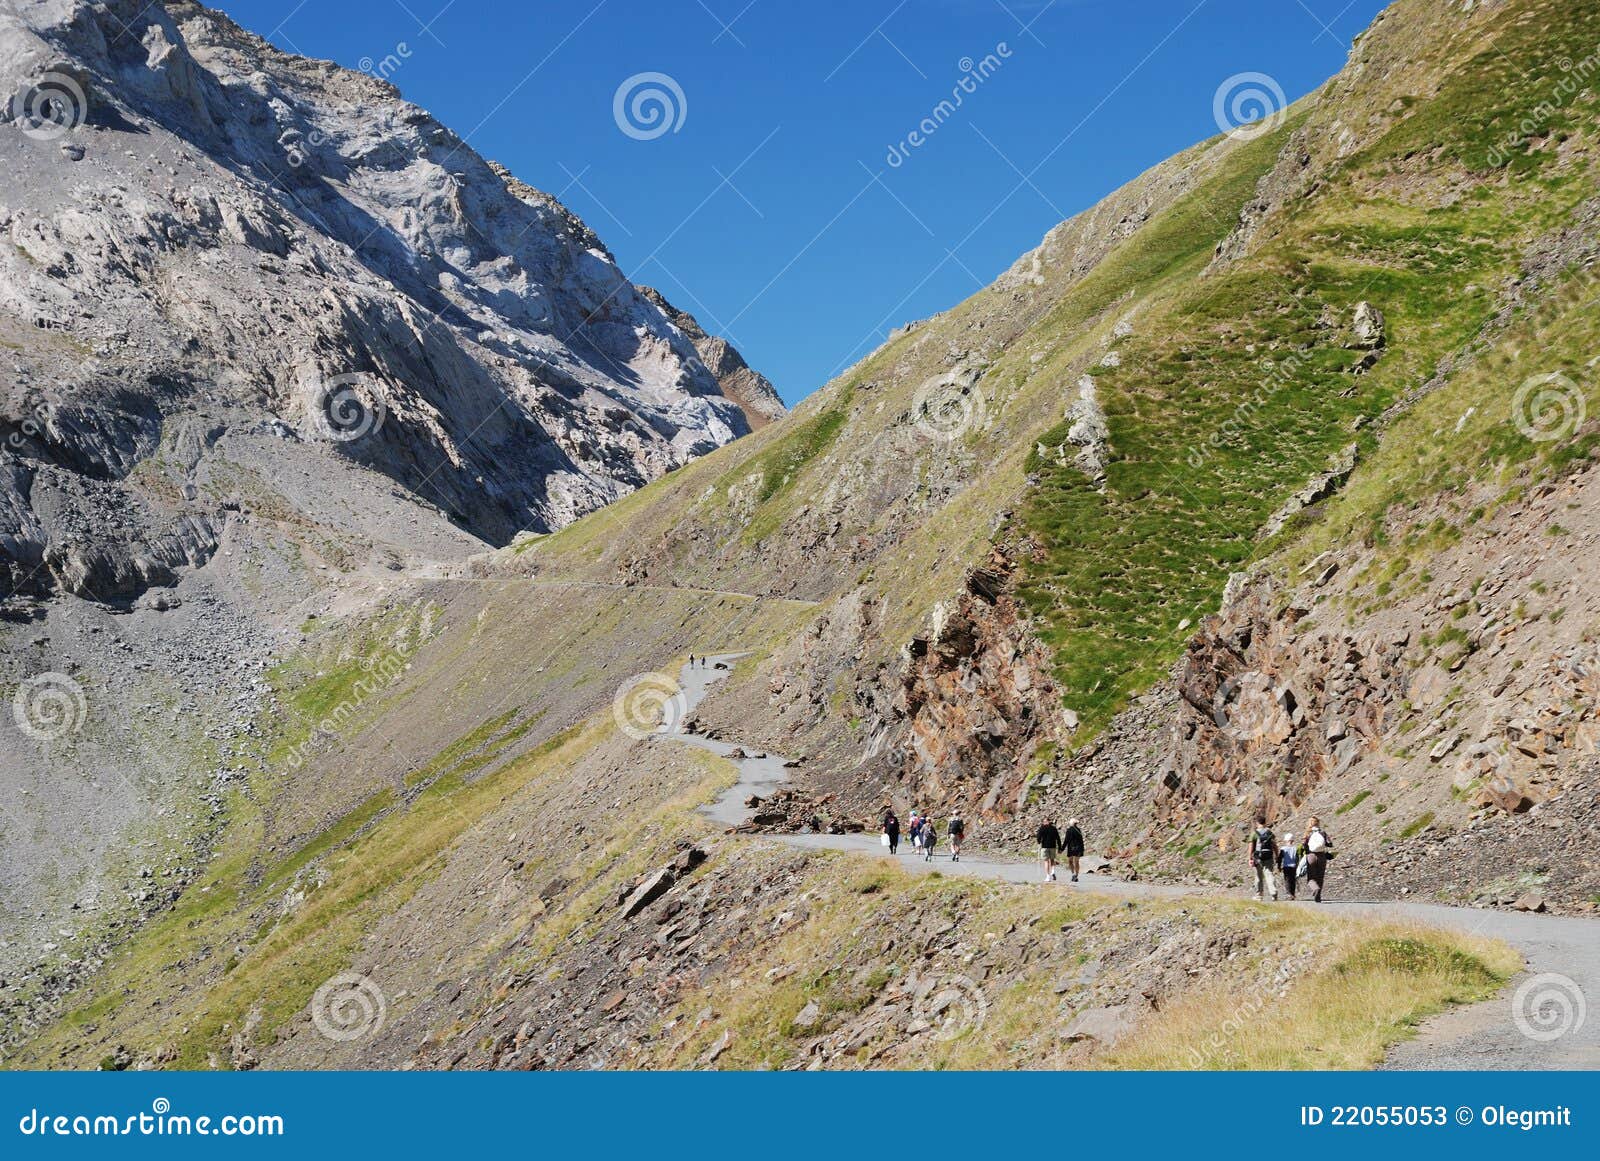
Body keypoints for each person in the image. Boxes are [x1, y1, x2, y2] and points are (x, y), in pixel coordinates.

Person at [1303, 817, 1334, 903]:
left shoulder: (1307, 833)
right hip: (1322, 857)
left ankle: (1315, 888)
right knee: (1320, 877)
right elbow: (1330, 844)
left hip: (1310, 856)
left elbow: (1304, 845)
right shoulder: (1323, 833)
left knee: (1311, 878)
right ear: (1318, 823)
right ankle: (1318, 896)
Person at [1249, 814, 1278, 902]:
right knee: (1269, 874)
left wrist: (1250, 858)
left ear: (1257, 823)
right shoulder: (1269, 832)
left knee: (1258, 876)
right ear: (1265, 822)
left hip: (1257, 857)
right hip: (1268, 856)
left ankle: (1259, 895)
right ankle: (1273, 893)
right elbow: (1274, 845)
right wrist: (1276, 855)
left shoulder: (1254, 833)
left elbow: (1251, 847)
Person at [1036, 818, 1062, 883]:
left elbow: (1038, 836)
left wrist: (1039, 842)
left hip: (1045, 847)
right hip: (1053, 846)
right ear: (1050, 822)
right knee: (1052, 860)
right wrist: (1060, 847)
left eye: (1044, 822)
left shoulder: (1042, 828)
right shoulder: (1054, 828)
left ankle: (1048, 876)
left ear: (1045, 822)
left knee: (1046, 861)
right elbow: (1058, 838)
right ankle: (1053, 871)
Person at [1279, 831, 1298, 901]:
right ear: (1292, 840)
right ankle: (1293, 894)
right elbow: (1297, 858)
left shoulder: (1283, 849)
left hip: (1286, 866)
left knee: (1287, 880)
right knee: (1293, 880)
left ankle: (1288, 894)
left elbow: (1280, 858)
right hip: (1294, 866)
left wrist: (1278, 866)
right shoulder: (1295, 848)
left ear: (1286, 840)